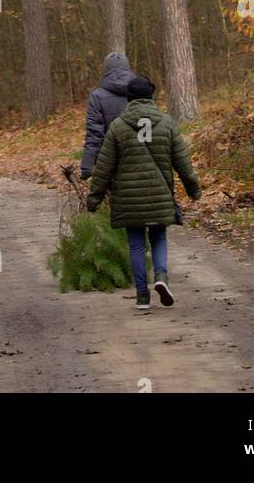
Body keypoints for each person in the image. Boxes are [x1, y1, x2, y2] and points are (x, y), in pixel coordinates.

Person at [86, 76, 201, 310]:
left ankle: (141, 296)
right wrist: (193, 190)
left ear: (129, 98)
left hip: (129, 200)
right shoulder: (167, 123)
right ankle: (160, 276)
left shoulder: (118, 127)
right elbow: (183, 163)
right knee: (158, 237)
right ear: (151, 97)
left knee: (136, 245)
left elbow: (104, 167)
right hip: (159, 195)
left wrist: (94, 198)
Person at [80, 51, 136, 180]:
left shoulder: (97, 96)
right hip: (140, 158)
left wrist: (87, 166)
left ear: (106, 70)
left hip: (109, 161)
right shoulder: (141, 90)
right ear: (127, 67)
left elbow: (95, 134)